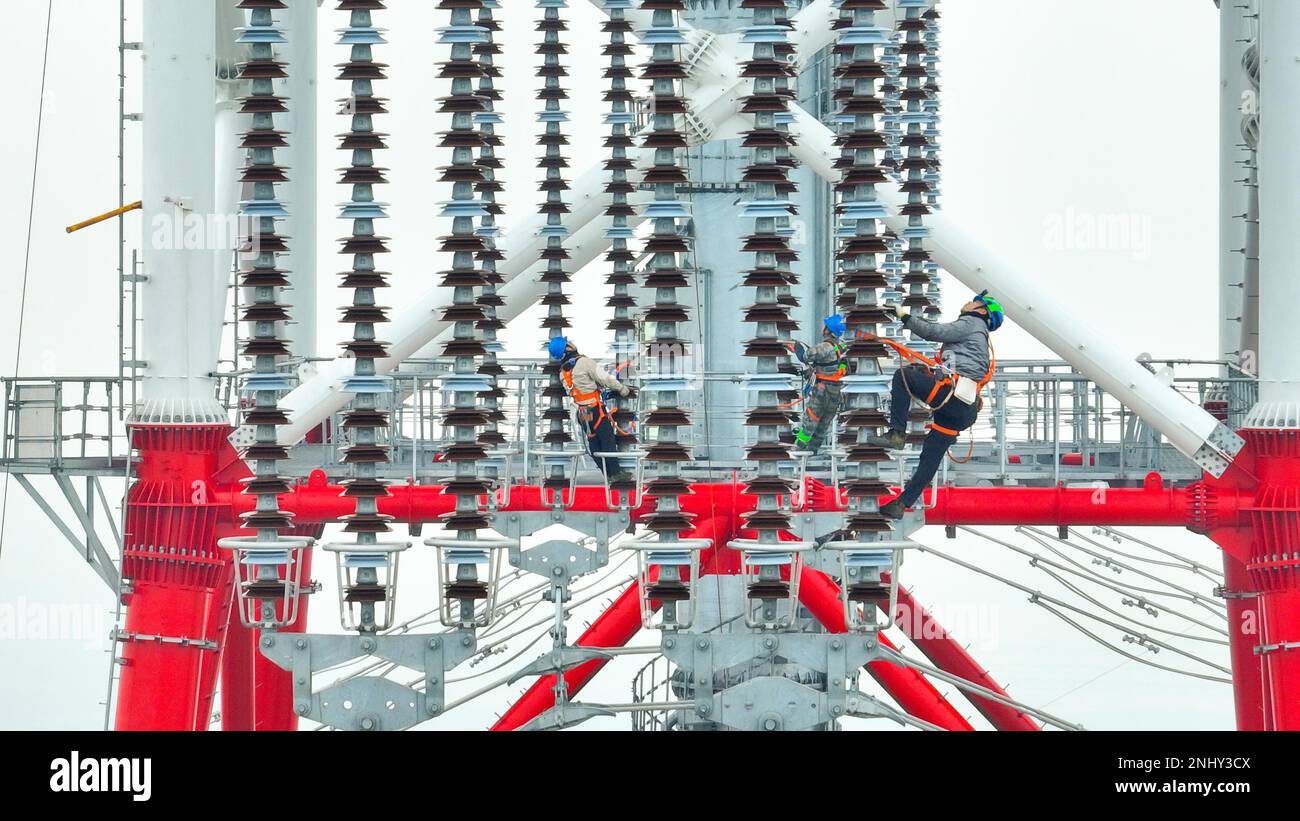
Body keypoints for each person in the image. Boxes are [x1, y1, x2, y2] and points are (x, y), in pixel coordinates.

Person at [866, 292, 1004, 519]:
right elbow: (957, 366)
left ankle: (897, 434)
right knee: (931, 457)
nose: (967, 301)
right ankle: (902, 503)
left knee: (903, 377)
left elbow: (934, 332)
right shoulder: (980, 338)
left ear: (982, 311)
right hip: (963, 409)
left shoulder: (972, 323)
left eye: (974, 301)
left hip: (951, 395)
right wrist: (929, 373)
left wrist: (905, 317)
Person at [549, 336, 637, 483]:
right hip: (595, 409)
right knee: (608, 439)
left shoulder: (563, 372)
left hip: (581, 412)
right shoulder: (584, 362)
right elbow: (606, 379)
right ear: (567, 348)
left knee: (593, 441)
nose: (572, 343)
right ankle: (616, 474)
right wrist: (623, 389)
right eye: (569, 343)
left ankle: (607, 474)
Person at [789, 315, 850, 456]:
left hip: (822, 390)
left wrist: (796, 347)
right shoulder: (842, 346)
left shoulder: (825, 347)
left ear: (828, 330)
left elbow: (806, 356)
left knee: (811, 419)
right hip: (836, 391)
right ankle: (812, 451)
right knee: (824, 423)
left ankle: (798, 450)